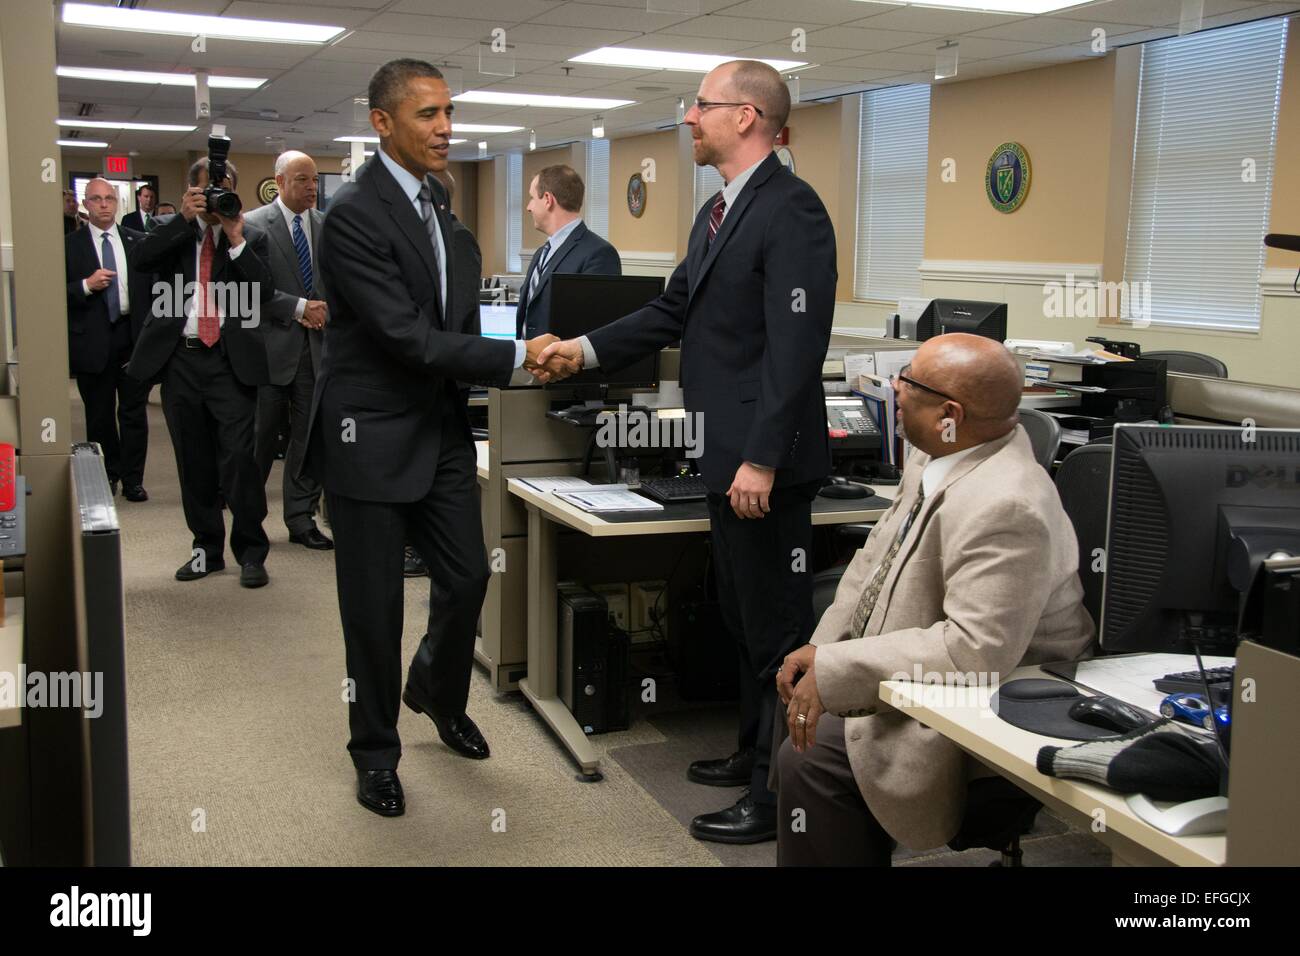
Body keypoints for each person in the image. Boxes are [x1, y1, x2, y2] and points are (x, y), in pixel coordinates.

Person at [535, 59, 836, 844]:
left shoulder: (792, 211)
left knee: (776, 627)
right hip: (722, 452)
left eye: (699, 105)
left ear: (745, 117)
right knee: (739, 616)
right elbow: (672, 309)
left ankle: (778, 798)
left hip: (760, 464)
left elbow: (796, 349)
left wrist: (763, 458)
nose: (688, 117)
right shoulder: (720, 210)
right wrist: (583, 350)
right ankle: (750, 751)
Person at [302, 58, 557, 818]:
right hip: (370, 438)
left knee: (471, 577)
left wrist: (514, 348)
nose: (446, 128)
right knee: (373, 612)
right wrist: (519, 356)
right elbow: (408, 339)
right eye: (427, 115)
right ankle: (375, 752)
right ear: (383, 123)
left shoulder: (444, 216)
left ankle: (436, 693)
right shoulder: (352, 214)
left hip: (440, 432)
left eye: (449, 112)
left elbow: (453, 328)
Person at [773, 333, 1095, 866]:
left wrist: (836, 669)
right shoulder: (933, 455)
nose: (894, 388)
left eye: (909, 381)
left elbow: (975, 651)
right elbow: (872, 559)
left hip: (1004, 688)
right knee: (791, 702)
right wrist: (819, 649)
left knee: (817, 761)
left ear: (950, 412)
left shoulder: (1008, 502)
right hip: (920, 657)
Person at [127, 157, 276, 588]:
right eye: (205, 191)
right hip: (182, 361)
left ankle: (251, 552)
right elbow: (139, 259)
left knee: (239, 462)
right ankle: (206, 550)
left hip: (231, 363)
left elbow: (263, 291)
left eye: (222, 188)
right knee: (193, 462)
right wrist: (183, 220)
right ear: (191, 193)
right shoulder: (171, 235)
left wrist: (234, 237)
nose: (214, 198)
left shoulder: (252, 237)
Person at [245, 151, 332, 550]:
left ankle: (300, 519)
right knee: (260, 441)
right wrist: (300, 308)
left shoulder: (324, 225)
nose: (311, 187)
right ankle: (248, 520)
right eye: (302, 180)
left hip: (315, 352)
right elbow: (249, 291)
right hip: (268, 352)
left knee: (307, 439)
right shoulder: (252, 225)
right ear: (279, 181)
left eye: (314, 180)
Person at [65, 177, 152, 500]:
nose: (103, 205)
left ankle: (133, 479)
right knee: (99, 414)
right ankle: (108, 473)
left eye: (108, 199)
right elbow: (54, 293)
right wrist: (86, 285)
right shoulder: (70, 245)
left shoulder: (137, 241)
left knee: (133, 412)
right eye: (96, 199)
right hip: (92, 338)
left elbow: (150, 291)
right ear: (86, 204)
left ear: (117, 203)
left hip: (130, 336)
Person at [514, 164, 621, 338]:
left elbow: (594, 327)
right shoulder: (541, 253)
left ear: (548, 199)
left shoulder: (598, 254)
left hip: (563, 363)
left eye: (532, 198)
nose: (529, 207)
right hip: (527, 361)